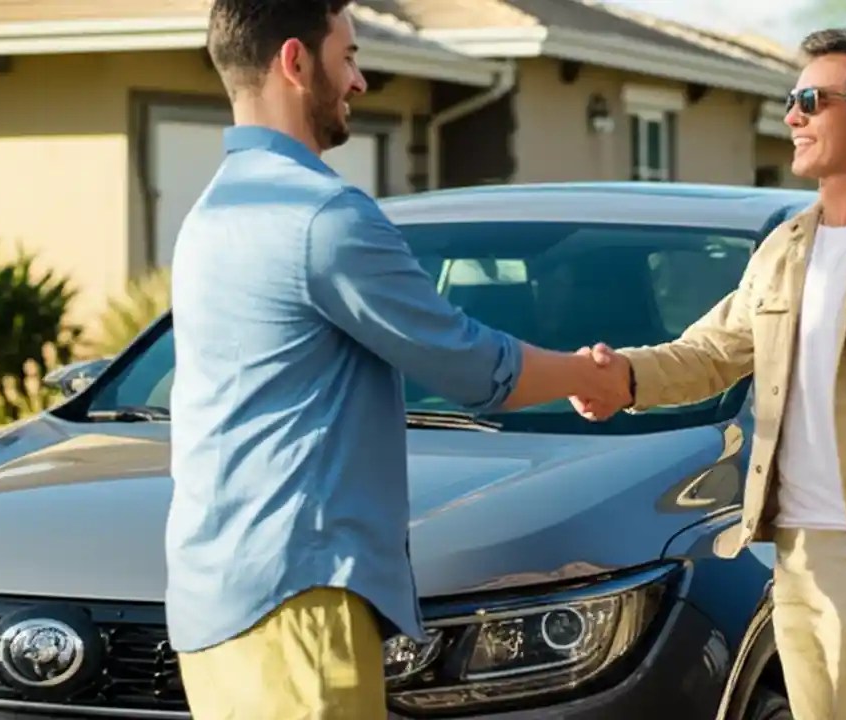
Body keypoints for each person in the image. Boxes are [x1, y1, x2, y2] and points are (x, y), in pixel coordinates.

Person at [165, 1, 629, 717]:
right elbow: (473, 368)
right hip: (302, 607)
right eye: (347, 57)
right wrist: (589, 376)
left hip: (216, 605)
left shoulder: (210, 216)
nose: (359, 82)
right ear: (294, 61)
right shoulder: (324, 217)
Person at [573, 28, 846, 719]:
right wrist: (621, 377)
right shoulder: (784, 250)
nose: (792, 117)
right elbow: (711, 352)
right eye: (790, 100)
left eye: (811, 99)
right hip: (793, 556)